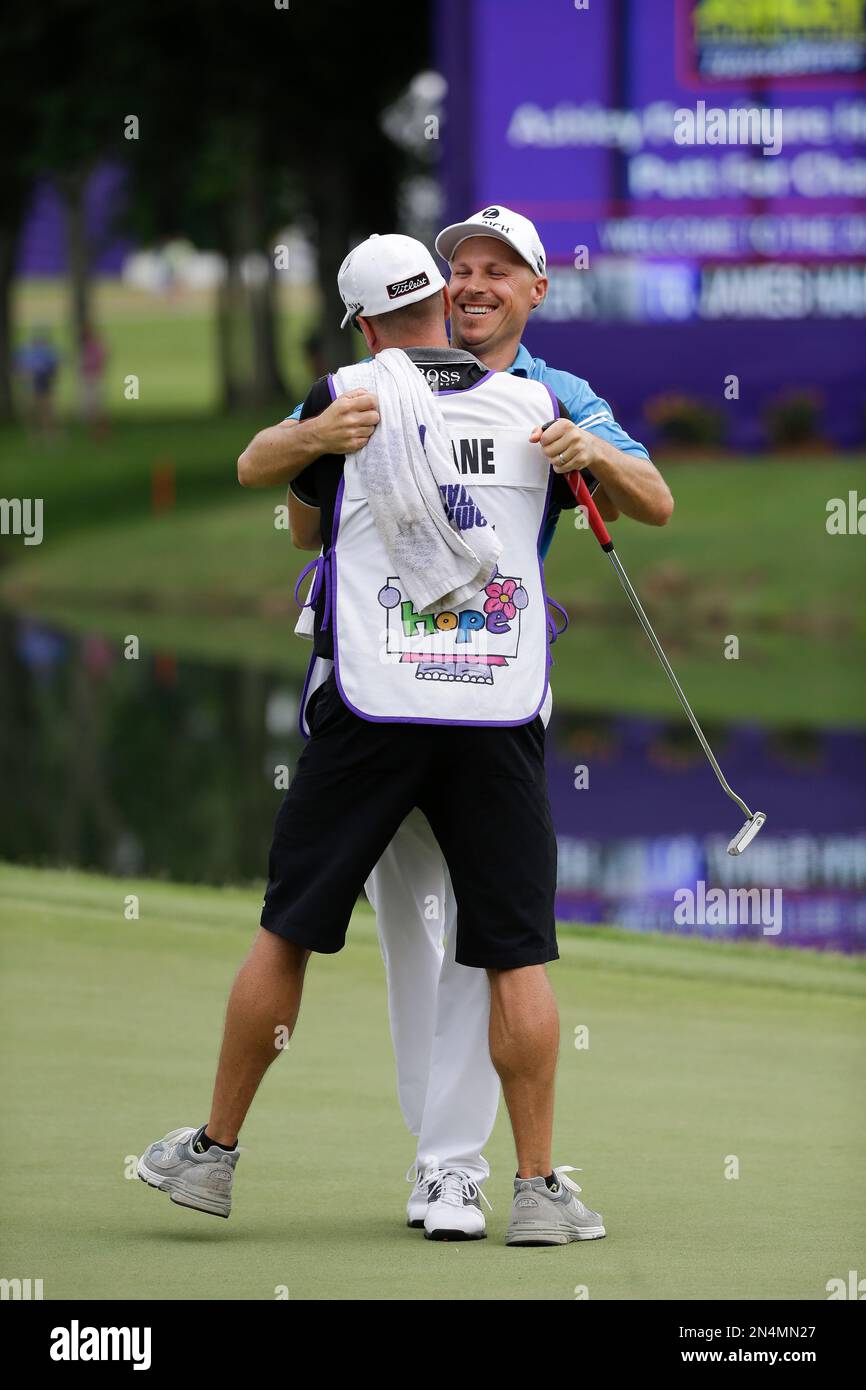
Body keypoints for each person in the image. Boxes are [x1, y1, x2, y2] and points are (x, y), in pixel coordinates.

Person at [139, 232, 610, 1247]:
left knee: (290, 926)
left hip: (371, 708)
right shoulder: (536, 404)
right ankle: (531, 1188)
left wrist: (318, 438)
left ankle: (214, 1155)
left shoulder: (343, 395)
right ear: (443, 299)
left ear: (358, 319)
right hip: (492, 715)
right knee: (514, 953)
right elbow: (642, 501)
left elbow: (256, 470)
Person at [233, 209, 673, 1240]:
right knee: (407, 938)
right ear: (435, 288)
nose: (473, 282)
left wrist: (587, 455)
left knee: (487, 945)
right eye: (459, 267)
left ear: (532, 290)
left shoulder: (552, 393)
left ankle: (447, 1171)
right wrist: (328, 442)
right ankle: (442, 1164)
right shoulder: (370, 379)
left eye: (496, 270)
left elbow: (651, 498)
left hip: (489, 700)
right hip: (375, 690)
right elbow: (300, 517)